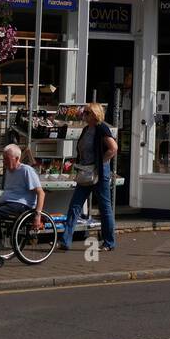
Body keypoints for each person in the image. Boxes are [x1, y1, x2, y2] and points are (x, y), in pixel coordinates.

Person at [60, 102, 117, 251]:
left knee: (105, 208)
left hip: (99, 173)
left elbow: (113, 148)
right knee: (75, 206)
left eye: (87, 113)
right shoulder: (86, 129)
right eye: (84, 112)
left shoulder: (101, 128)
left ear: (95, 114)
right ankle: (65, 241)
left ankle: (109, 242)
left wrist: (100, 163)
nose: (84, 115)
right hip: (85, 172)